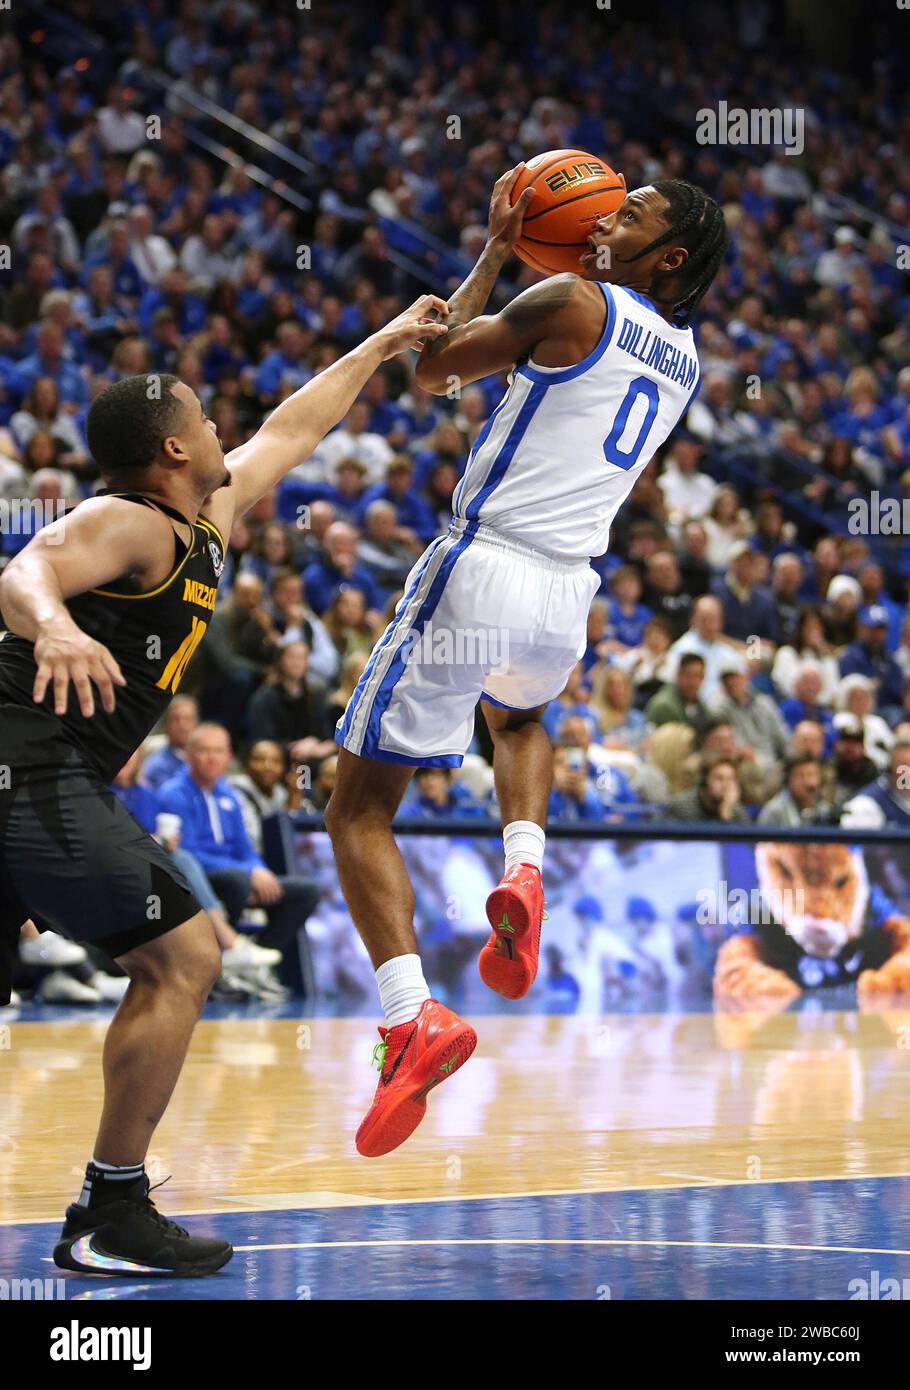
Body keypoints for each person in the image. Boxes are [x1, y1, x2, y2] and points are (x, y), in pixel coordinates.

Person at [0, 292, 447, 1274]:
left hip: (46, 772)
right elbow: (25, 569)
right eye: (202, 418)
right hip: (25, 768)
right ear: (170, 450)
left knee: (171, 957)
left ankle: (106, 1214)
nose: (218, 427)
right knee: (184, 954)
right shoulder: (125, 521)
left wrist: (380, 343)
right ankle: (111, 1211)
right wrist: (60, 625)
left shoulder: (204, 517)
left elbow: (296, 424)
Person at [324, 166, 727, 1157]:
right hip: (566, 590)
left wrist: (496, 255)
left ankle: (410, 1013)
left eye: (634, 212)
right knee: (524, 720)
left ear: (667, 254)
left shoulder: (568, 296)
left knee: (358, 805)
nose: (610, 214)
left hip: (483, 558)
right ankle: (526, 867)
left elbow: (431, 369)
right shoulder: (685, 358)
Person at [757, 755, 833, 826]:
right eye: (800, 776)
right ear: (788, 780)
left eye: (811, 775)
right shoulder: (774, 811)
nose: (807, 782)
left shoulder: (825, 809)